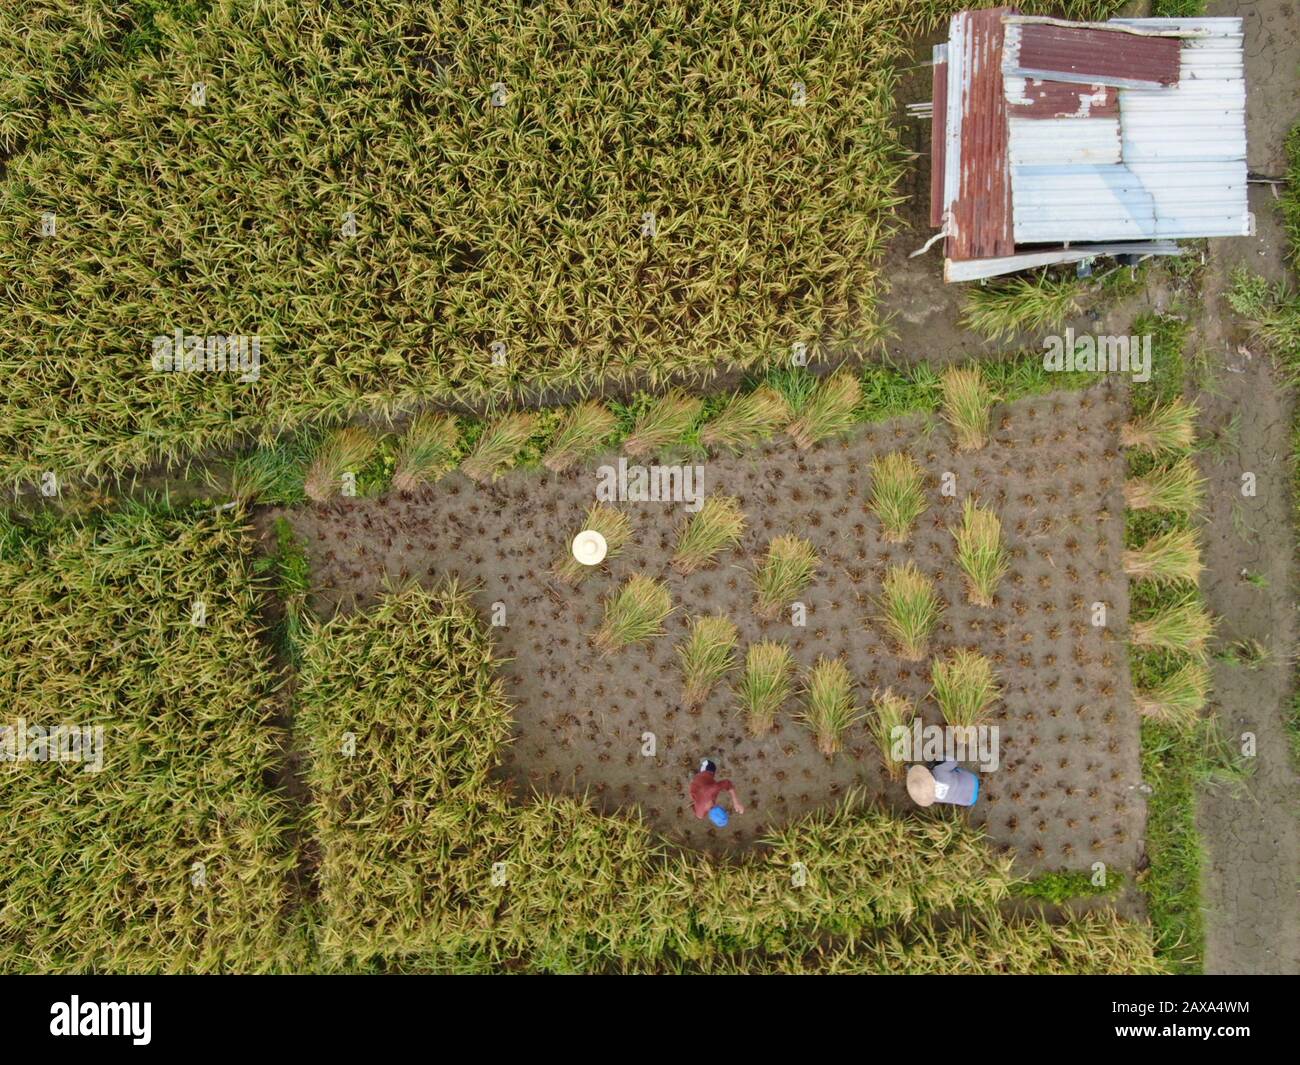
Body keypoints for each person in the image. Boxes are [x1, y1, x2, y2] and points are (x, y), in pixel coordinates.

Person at [690, 759, 745, 826]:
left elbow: (727, 783)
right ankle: (694, 775)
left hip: (700, 781)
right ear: (711, 818)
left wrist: (736, 802)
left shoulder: (711, 791)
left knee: (711, 765)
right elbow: (694, 807)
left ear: (721, 807)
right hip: (697, 790)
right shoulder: (700, 815)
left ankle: (703, 762)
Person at [906, 760, 980, 808]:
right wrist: (938, 761)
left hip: (969, 801)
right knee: (949, 765)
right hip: (973, 781)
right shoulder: (939, 771)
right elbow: (954, 762)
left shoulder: (931, 798)